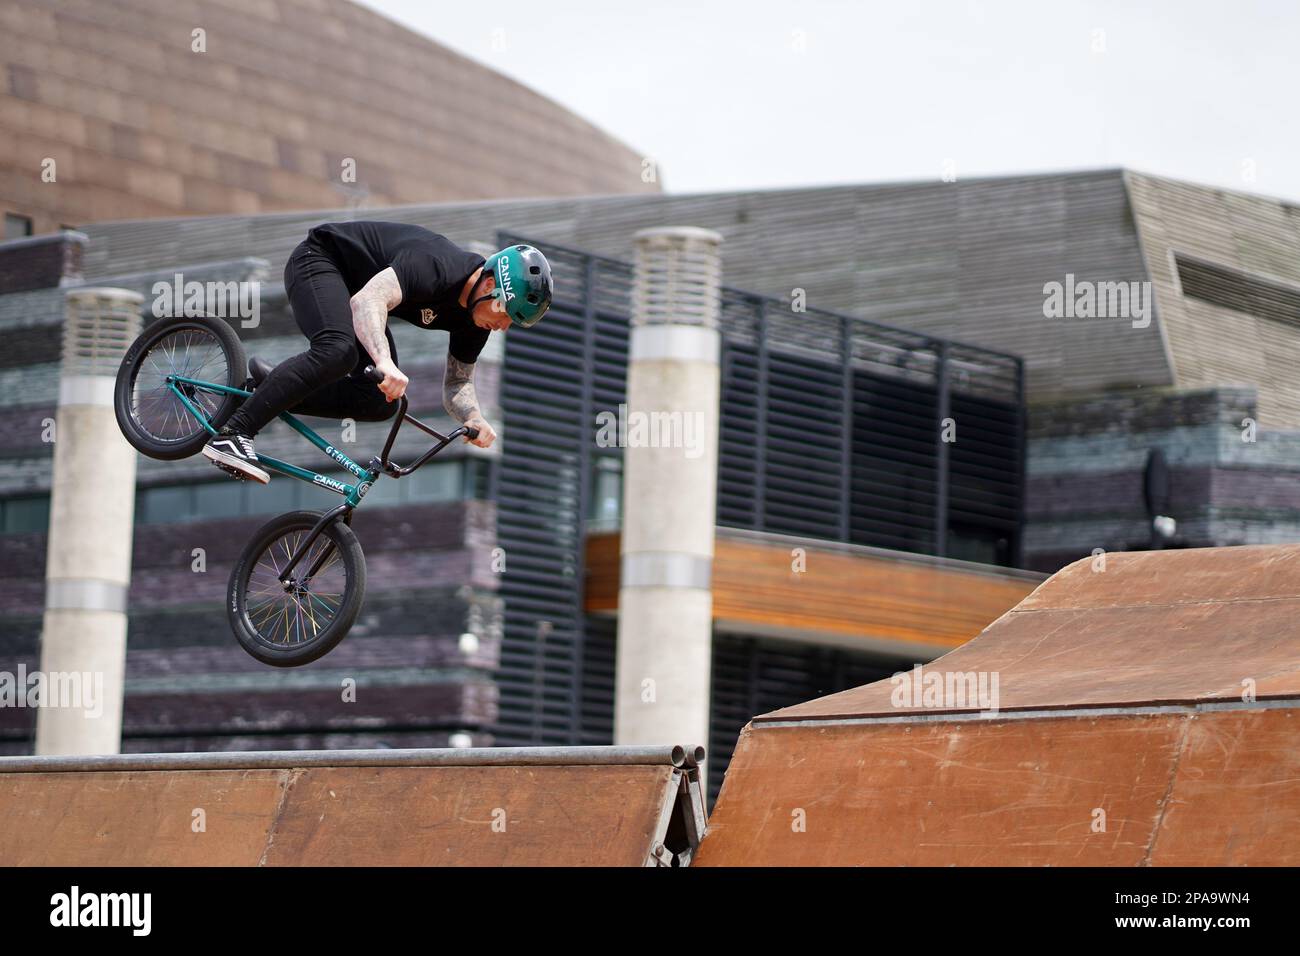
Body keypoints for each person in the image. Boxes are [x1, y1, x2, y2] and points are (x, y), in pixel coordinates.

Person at [204, 221, 552, 483]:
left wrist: (472, 418)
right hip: (321, 261)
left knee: (380, 402)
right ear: (489, 285)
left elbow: (457, 382)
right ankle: (233, 435)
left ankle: (267, 392)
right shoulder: (436, 266)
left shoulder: (474, 321)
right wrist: (384, 361)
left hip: (357, 295)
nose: (503, 326)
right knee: (338, 351)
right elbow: (367, 300)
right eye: (505, 313)